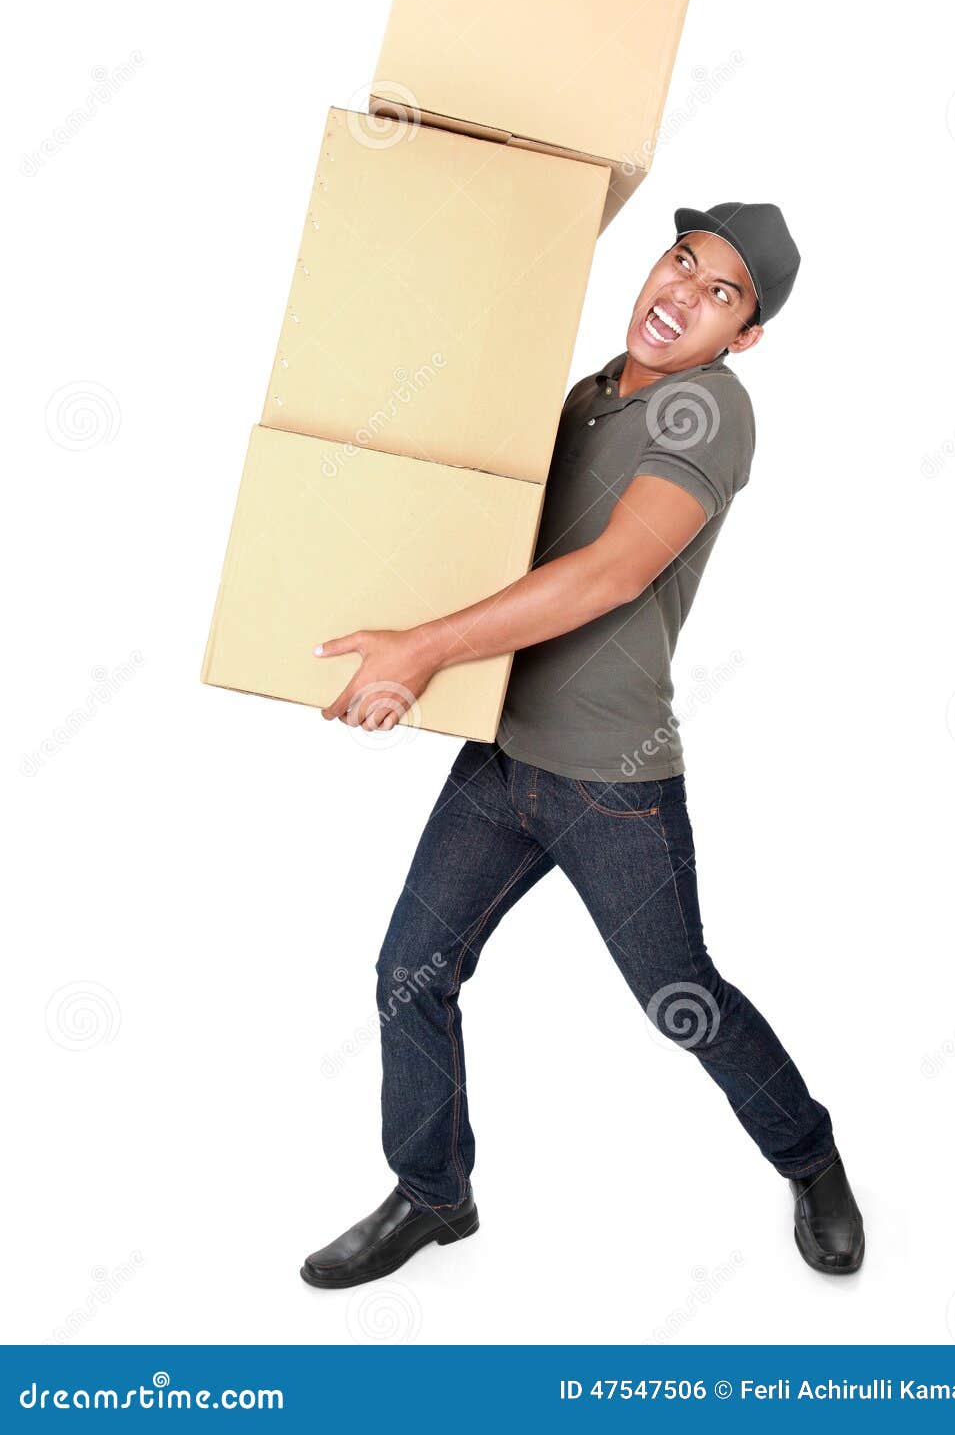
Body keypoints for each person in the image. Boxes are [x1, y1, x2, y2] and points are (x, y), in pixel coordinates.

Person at [300, 202, 864, 1289]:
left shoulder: (711, 413)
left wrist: (419, 646)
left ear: (742, 337)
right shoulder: (589, 395)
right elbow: (493, 539)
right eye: (682, 260)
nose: (680, 294)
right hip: (503, 751)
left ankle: (810, 1155)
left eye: (719, 295)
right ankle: (432, 1193)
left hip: (609, 778)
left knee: (677, 997)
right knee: (407, 975)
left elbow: (609, 573)